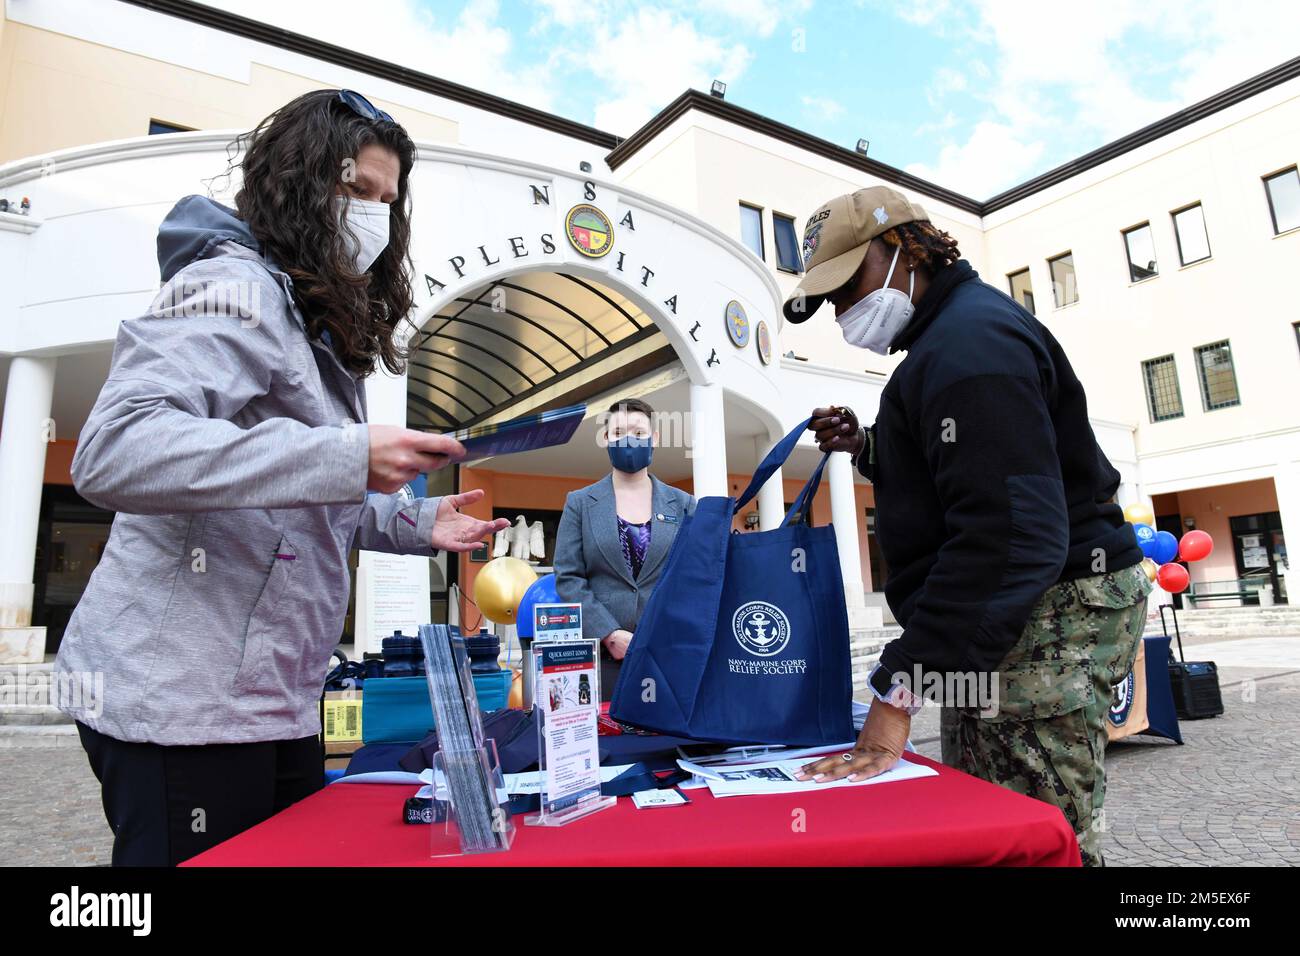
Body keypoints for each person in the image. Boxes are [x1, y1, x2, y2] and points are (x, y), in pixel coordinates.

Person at [52, 89, 509, 866]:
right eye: (353, 190)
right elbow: (116, 447)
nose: (371, 216)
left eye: (386, 201)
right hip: (184, 707)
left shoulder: (315, 324)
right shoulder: (236, 289)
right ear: (298, 181)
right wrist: (345, 454)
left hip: (278, 700)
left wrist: (410, 522)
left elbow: (292, 498)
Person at [788, 185, 1149, 866]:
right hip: (1011, 621)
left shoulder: (969, 347)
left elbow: (1006, 541)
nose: (841, 311)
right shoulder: (946, 338)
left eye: (846, 286)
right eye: (829, 300)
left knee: (1031, 833)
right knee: (986, 814)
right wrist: (870, 446)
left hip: (1046, 615)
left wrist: (897, 694)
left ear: (903, 248)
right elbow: (965, 474)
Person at [553, 398, 695, 700]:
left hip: (669, 652)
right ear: (606, 438)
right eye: (618, 432)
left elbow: (694, 574)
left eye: (639, 432)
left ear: (654, 438)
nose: (628, 439)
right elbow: (568, 577)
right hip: (605, 658)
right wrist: (609, 633)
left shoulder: (683, 504)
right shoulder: (579, 503)